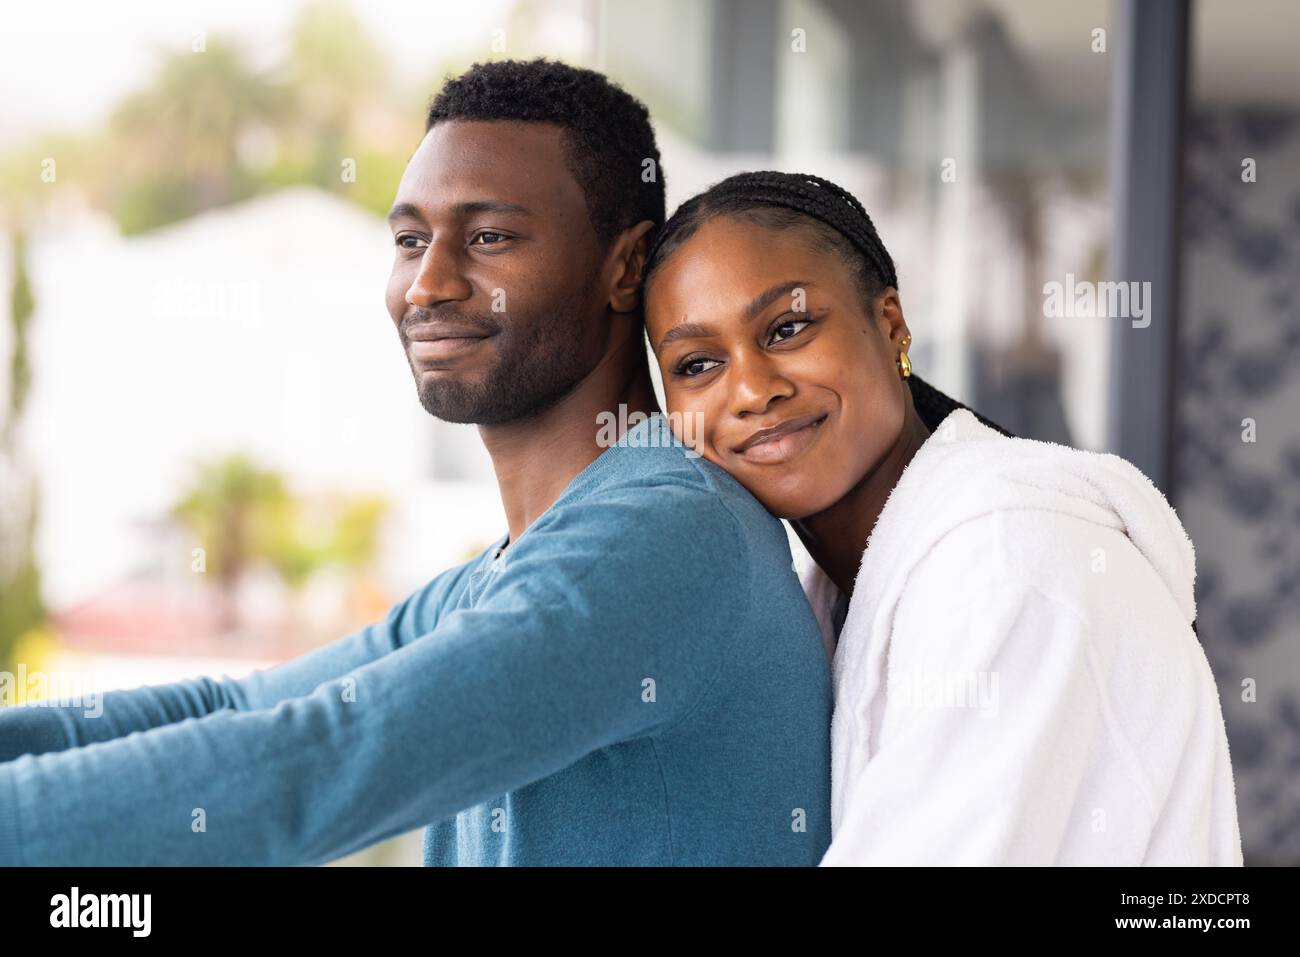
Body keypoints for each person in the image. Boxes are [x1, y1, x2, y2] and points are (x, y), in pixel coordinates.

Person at [0, 64, 832, 866]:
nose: (428, 283)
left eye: (489, 237)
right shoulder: (507, 571)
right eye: (409, 239)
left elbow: (319, 762)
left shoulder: (667, 536)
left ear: (621, 266)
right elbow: (235, 706)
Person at [640, 170, 1245, 865]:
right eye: (698, 363)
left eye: (787, 327)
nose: (751, 388)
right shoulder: (834, 594)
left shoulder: (1006, 560)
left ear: (890, 322)